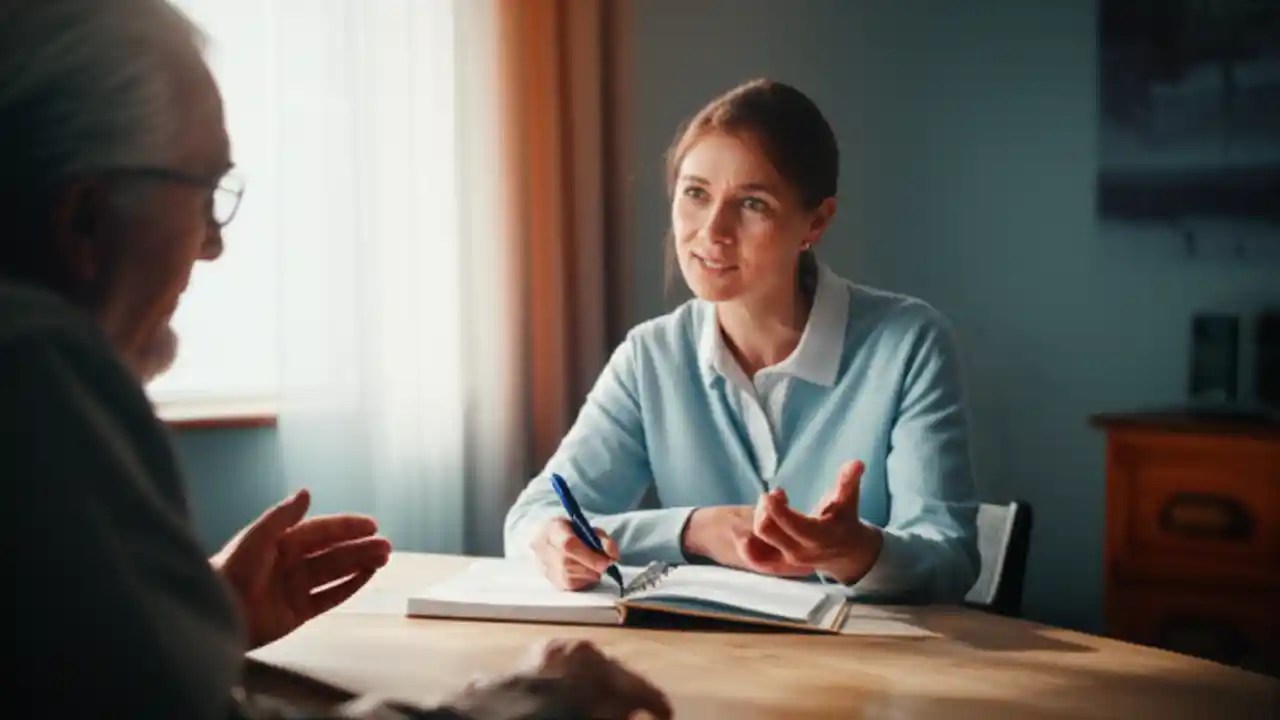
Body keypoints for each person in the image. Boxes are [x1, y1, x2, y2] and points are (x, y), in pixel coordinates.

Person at [1, 1, 669, 718]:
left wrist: (190, 621)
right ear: (85, 217)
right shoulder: (36, 370)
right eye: (204, 196)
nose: (212, 246)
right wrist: (519, 706)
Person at [506, 79, 979, 603]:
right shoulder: (652, 356)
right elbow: (533, 518)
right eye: (695, 194)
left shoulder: (909, 344)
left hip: (865, 672)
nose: (712, 231)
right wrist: (694, 530)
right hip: (708, 665)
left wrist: (854, 551)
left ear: (815, 222)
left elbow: (950, 555)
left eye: (752, 204)